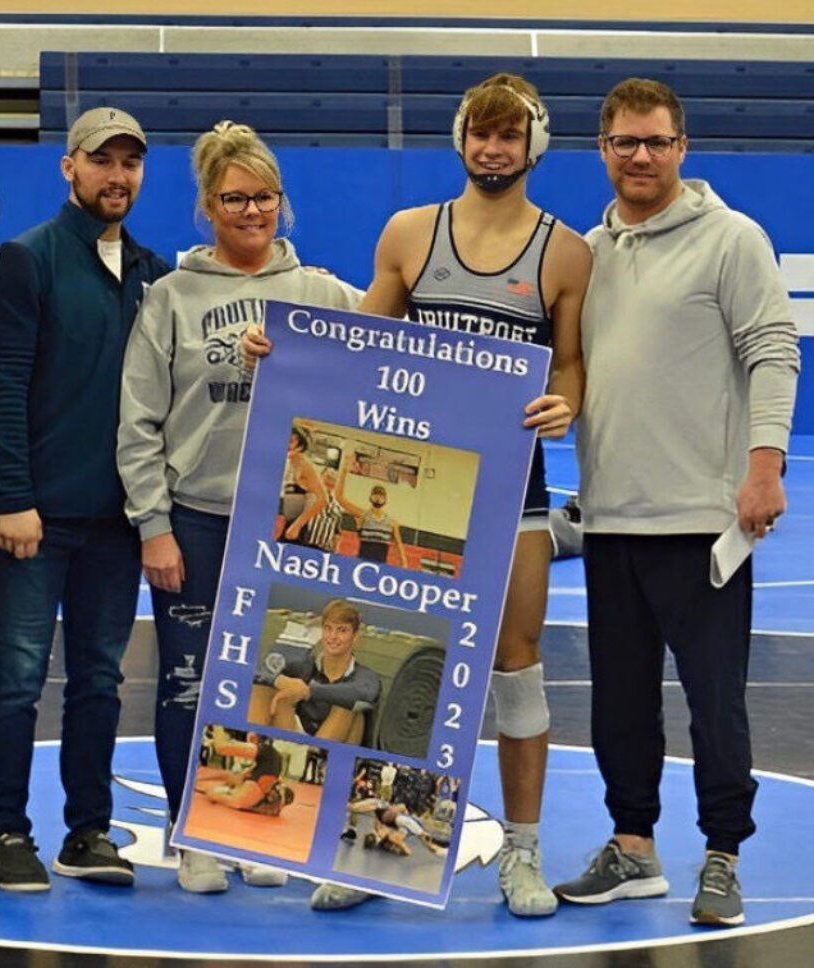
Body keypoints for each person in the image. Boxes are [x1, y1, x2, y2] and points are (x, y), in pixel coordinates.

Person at [246, 73, 591, 915]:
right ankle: (372, 854)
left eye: (509, 135)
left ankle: (523, 851)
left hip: (517, 492)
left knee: (516, 666)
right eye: (480, 132)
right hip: (419, 499)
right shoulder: (410, 234)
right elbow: (362, 348)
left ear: (533, 147)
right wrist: (282, 358)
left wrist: (569, 398)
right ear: (460, 138)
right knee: (414, 675)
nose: (492, 148)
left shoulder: (566, 253)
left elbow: (572, 362)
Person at [552, 78, 800, 928]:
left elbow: (774, 351)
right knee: (619, 702)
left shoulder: (733, 240)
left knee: (715, 703)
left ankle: (723, 856)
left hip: (702, 525)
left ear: (682, 148)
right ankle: (635, 850)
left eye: (655, 141)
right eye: (625, 142)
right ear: (603, 151)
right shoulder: (590, 250)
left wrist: (764, 467)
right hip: (612, 521)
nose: (641, 157)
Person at [116, 120, 360, 893]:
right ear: (207, 206)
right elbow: (139, 420)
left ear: (281, 203)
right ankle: (194, 830)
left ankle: (254, 825)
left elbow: (402, 364)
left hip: (291, 528)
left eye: (262, 198)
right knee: (189, 679)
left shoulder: (323, 293)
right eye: (233, 199)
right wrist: (153, 525)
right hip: (196, 516)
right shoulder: (172, 297)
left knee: (272, 682)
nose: (250, 212)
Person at [0, 107, 172, 892]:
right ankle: (7, 832)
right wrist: (14, 497)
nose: (116, 176)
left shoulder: (157, 272)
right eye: (103, 161)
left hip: (119, 524)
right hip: (39, 520)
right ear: (70, 167)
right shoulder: (28, 261)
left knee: (99, 680)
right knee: (19, 680)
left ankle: (87, 831)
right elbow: (3, 389)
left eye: (130, 162)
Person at [250, 598, 381, 743]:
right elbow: (256, 672)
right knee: (262, 688)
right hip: (293, 736)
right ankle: (252, 748)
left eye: (342, 630)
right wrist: (280, 681)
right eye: (328, 628)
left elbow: (366, 693)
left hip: (328, 747)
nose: (333, 637)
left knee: (349, 707)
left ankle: (314, 755)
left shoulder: (365, 677)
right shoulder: (303, 665)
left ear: (355, 637)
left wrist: (308, 691)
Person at [332, 448, 408, 567]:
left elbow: (399, 546)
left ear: (385, 500)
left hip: (380, 567)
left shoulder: (392, 523)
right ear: (371, 497)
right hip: (361, 564)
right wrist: (343, 471)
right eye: (376, 494)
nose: (378, 498)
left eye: (381, 495)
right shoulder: (362, 515)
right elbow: (339, 498)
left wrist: (404, 565)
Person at [195, 732, 295, 816]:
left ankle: (198, 779)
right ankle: (216, 722)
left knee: (232, 776)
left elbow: (218, 790)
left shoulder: (249, 795)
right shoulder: (246, 798)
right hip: (267, 762)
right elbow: (213, 794)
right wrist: (215, 793)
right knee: (221, 748)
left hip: (269, 762)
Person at [277, 424, 329, 543]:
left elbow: (323, 499)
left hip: (292, 522)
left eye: (291, 441)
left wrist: (297, 525)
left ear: (300, 446)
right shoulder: (284, 459)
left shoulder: (304, 463)